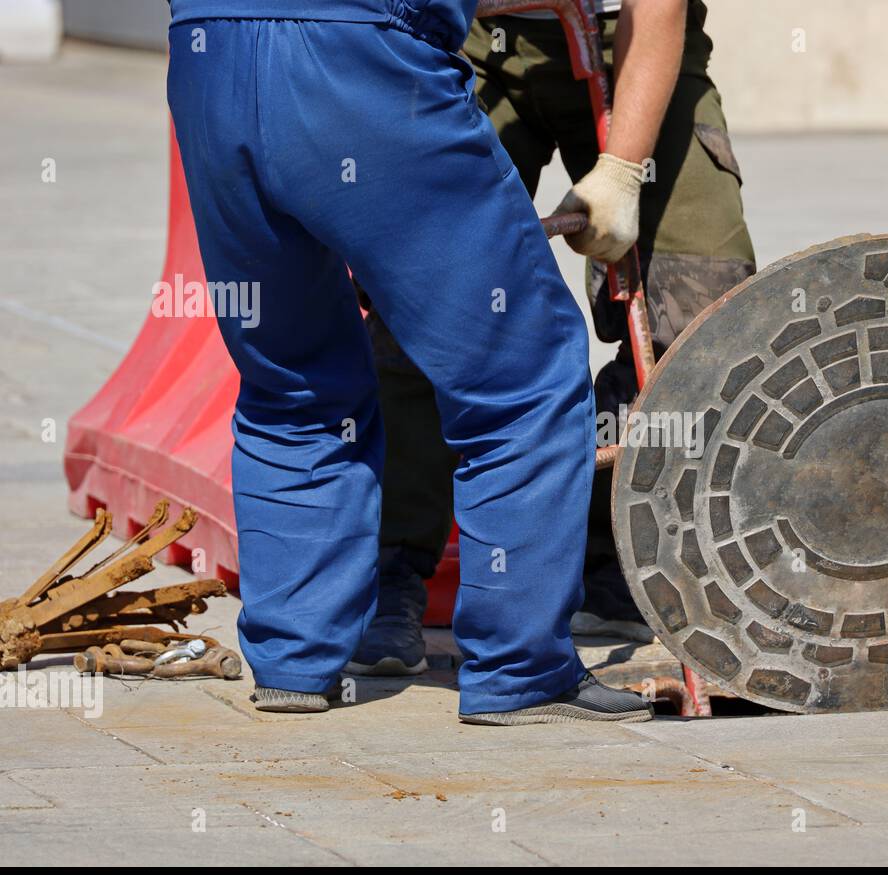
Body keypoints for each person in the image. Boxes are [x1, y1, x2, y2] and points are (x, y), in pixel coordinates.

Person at [165, 0, 652, 724]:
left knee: (292, 377)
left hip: (211, 57)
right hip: (359, 57)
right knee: (523, 368)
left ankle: (294, 661)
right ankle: (521, 669)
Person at [353, 0, 756, 674]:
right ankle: (387, 578)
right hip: (473, 44)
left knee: (701, 314)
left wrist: (625, 170)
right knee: (427, 302)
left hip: (629, 45)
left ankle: (625, 566)